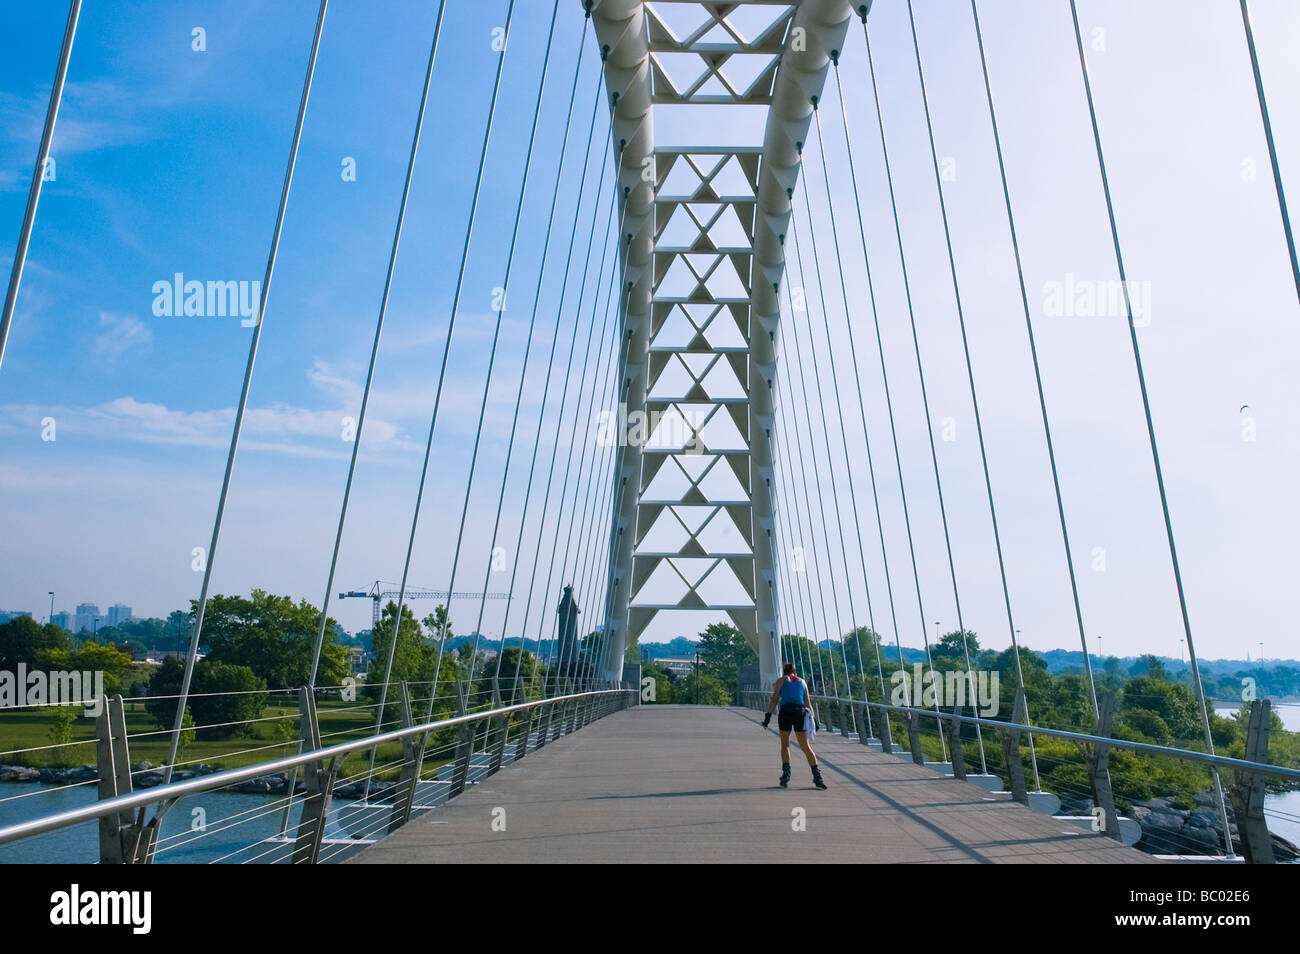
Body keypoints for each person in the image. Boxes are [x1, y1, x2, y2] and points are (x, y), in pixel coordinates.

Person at [762, 662, 826, 789]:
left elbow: (774, 699)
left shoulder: (781, 681)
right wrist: (814, 720)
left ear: (784, 672)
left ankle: (786, 775)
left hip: (786, 712)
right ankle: (817, 776)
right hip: (800, 713)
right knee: (805, 746)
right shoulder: (803, 682)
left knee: (785, 744)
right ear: (795, 672)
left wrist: (767, 717)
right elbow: (808, 704)